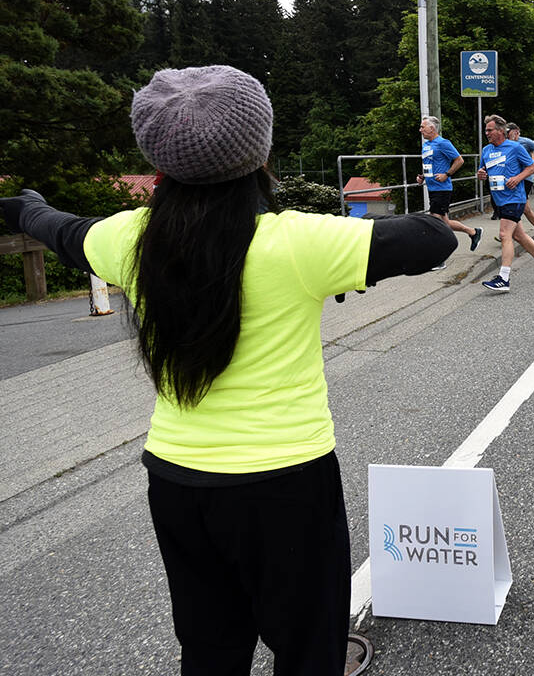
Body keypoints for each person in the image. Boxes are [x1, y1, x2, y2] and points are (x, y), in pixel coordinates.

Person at [0, 66, 456, 675]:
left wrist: (24, 205)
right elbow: (431, 239)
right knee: (307, 648)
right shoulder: (298, 242)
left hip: (176, 478)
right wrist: (345, 266)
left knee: (210, 646)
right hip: (286, 479)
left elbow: (58, 230)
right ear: (259, 150)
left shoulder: (127, 238)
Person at [478, 114, 534, 292]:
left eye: (489, 130)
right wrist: (481, 175)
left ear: (500, 131)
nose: (486, 133)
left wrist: (517, 178)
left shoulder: (515, 147)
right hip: (499, 199)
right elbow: (483, 170)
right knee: (518, 235)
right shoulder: (486, 150)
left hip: (515, 198)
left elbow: (531, 167)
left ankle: (503, 278)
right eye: (486, 130)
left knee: (505, 235)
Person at [417, 115, 482, 268]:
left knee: (435, 221)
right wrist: (422, 177)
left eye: (422, 127)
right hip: (432, 188)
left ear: (432, 128)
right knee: (444, 222)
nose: (420, 130)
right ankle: (473, 232)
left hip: (442, 189)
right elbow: (429, 164)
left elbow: (459, 160)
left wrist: (447, 174)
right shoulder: (426, 145)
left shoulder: (443, 143)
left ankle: (440, 259)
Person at [505, 123, 534, 246]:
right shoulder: (506, 144)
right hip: (513, 178)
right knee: (524, 208)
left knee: (519, 205)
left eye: (510, 132)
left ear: (516, 131)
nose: (508, 134)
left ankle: (512, 233)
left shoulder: (526, 142)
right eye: (507, 132)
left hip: (526, 178)